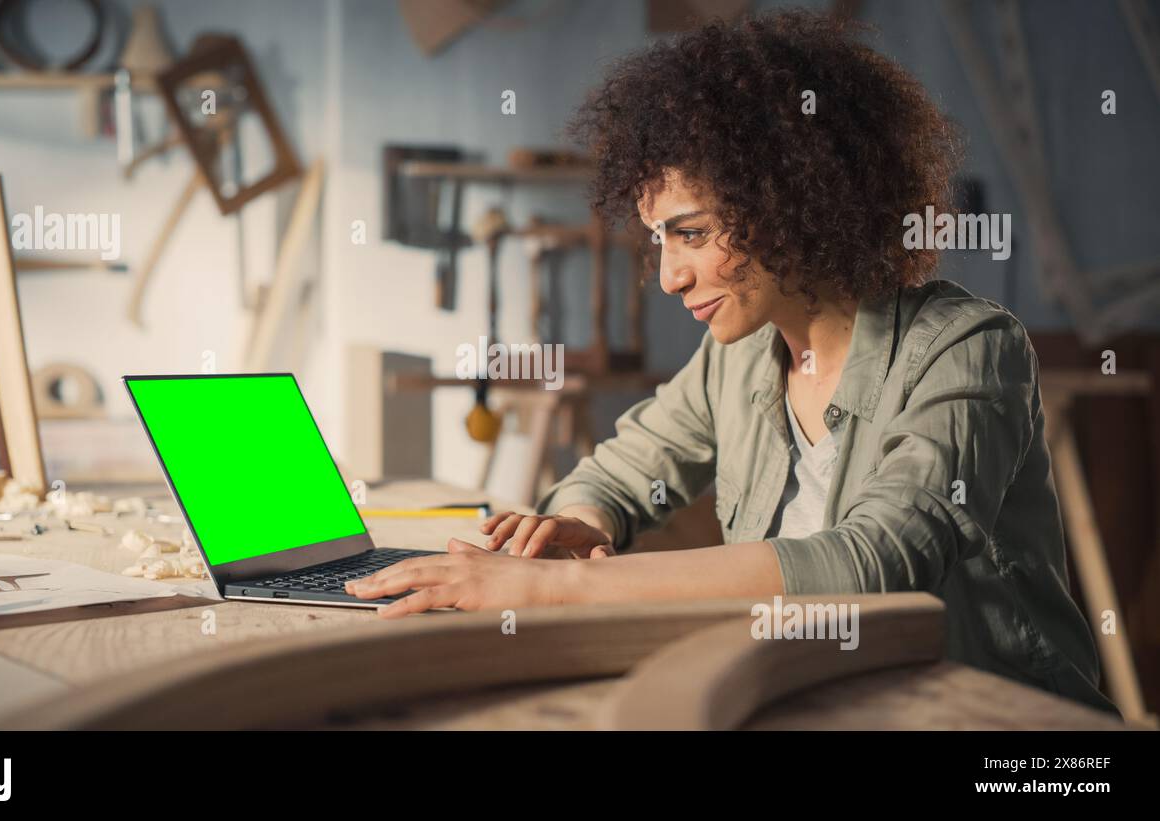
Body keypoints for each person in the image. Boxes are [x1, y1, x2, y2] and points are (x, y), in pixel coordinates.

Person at [347, 10, 1116, 715]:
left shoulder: (968, 348)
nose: (670, 275)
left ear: (790, 202)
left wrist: (560, 586)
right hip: (824, 702)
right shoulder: (742, 357)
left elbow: (876, 564)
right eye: (658, 240)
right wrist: (574, 527)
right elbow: (618, 472)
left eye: (691, 233)